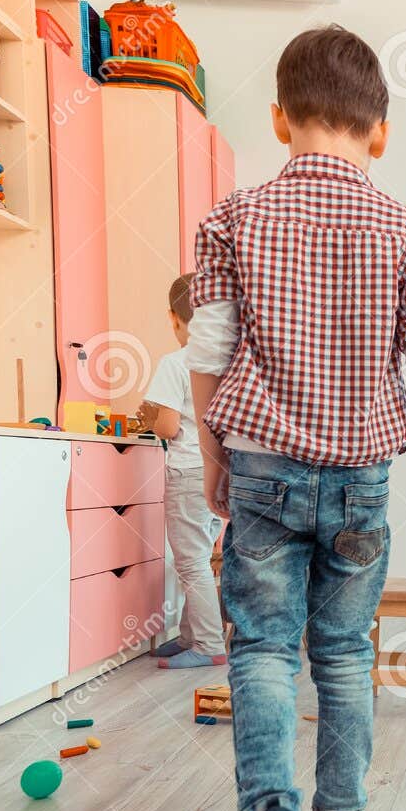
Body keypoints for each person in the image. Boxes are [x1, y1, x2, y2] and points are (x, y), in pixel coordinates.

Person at [185, 25, 406, 811]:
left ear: (278, 120)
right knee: (343, 652)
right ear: (379, 133)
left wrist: (216, 453)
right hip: (360, 481)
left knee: (263, 648)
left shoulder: (232, 218)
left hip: (262, 466)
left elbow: (209, 349)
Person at [139, 273, 227, 670]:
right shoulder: (227, 358)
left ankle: (208, 644)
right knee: (200, 558)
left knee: (190, 560)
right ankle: (191, 635)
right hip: (222, 473)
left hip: (189, 469)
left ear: (173, 318)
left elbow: (169, 428)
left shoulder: (176, 361)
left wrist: (151, 417)